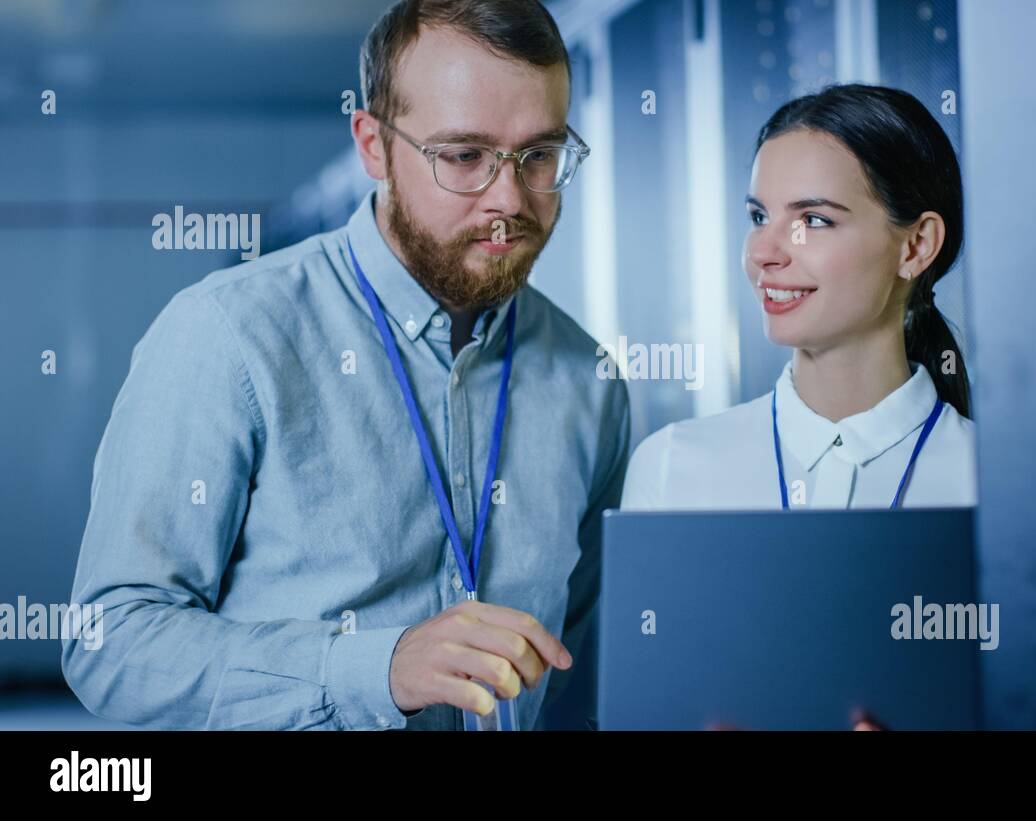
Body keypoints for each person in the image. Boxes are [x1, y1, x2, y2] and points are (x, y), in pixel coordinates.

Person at [62, 0, 629, 731]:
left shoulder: (589, 381)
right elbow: (112, 640)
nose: (508, 200)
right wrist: (372, 669)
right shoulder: (229, 335)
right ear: (373, 145)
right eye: (463, 157)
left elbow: (570, 677)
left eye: (540, 155)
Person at [621, 84, 975, 513]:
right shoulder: (671, 467)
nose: (761, 253)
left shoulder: (993, 482)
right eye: (759, 217)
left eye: (813, 219)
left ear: (916, 246)